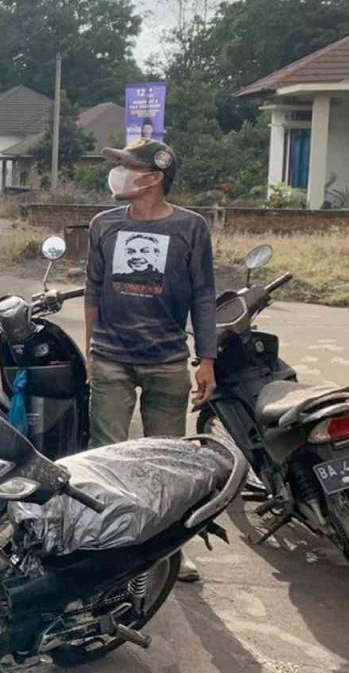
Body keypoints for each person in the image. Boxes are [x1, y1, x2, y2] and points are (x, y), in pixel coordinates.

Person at [83, 139, 216, 582]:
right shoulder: (103, 225)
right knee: (107, 457)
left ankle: (167, 550)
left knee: (167, 463)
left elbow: (203, 295)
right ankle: (106, 542)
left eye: (127, 166)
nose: (117, 174)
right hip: (111, 358)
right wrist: (90, 349)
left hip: (166, 360)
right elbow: (92, 290)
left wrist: (207, 359)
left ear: (154, 177)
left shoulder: (190, 228)